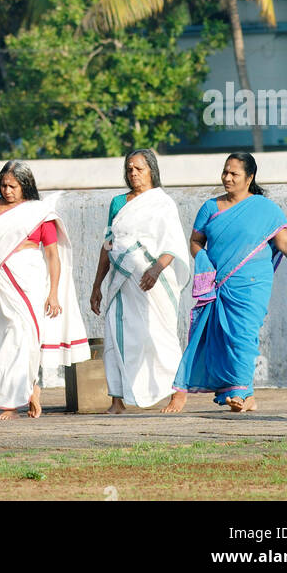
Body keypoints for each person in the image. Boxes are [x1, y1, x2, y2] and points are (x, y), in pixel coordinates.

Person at [167, 151, 287, 414]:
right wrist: (203, 259)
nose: (227, 178)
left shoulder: (265, 209)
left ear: (249, 178)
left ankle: (242, 392)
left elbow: (284, 242)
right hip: (219, 284)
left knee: (243, 336)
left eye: (234, 174)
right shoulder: (209, 207)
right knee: (220, 338)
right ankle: (241, 394)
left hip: (251, 284)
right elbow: (195, 242)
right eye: (225, 172)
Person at [0, 161, 90, 419]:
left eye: (12, 186)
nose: (7, 190)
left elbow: (52, 255)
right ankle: (11, 402)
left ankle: (28, 388)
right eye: (3, 185)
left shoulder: (38, 212)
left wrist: (54, 292)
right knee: (2, 339)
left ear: (25, 186)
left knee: (26, 339)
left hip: (30, 279)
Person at [89, 149, 190, 414]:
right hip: (119, 281)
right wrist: (96, 285)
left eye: (139, 169)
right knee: (115, 333)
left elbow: (173, 245)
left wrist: (156, 270)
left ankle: (178, 393)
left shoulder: (162, 203)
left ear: (151, 171)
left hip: (151, 282)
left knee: (160, 335)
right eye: (129, 169)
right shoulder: (118, 203)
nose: (133, 173)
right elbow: (107, 244)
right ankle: (117, 401)